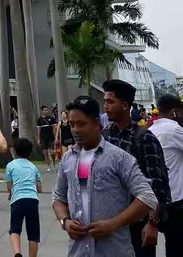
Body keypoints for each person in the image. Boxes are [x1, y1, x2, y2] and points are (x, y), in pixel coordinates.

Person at [52, 96, 158, 256]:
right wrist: (65, 221)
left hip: (114, 251)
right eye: (72, 125)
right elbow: (58, 197)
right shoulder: (68, 159)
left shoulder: (119, 158)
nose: (75, 130)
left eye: (81, 124)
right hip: (78, 251)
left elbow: (148, 197)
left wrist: (114, 224)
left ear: (96, 123)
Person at [102, 79, 170, 257]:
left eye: (110, 102)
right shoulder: (104, 136)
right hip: (110, 225)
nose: (105, 107)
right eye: (104, 102)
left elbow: (158, 186)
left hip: (138, 227)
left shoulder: (145, 139)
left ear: (125, 105)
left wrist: (152, 224)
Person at [149, 93, 183, 256]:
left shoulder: (150, 130)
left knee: (172, 244)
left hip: (160, 201)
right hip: (177, 199)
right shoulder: (175, 130)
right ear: (174, 112)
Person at [6, 137, 42, 257]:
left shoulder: (10, 166)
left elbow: (9, 187)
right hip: (32, 200)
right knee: (33, 233)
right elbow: (39, 188)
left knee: (15, 229)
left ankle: (17, 252)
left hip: (17, 200)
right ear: (30, 153)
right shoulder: (33, 167)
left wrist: (12, 192)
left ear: (15, 151)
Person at [36, 105, 57, 171]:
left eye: (47, 110)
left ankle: (54, 163)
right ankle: (48, 166)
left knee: (52, 152)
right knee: (45, 152)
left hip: (50, 137)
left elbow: (54, 128)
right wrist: (38, 139)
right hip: (43, 138)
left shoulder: (52, 118)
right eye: (45, 110)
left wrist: (55, 136)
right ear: (42, 111)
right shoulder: (39, 119)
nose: (46, 111)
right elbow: (38, 129)